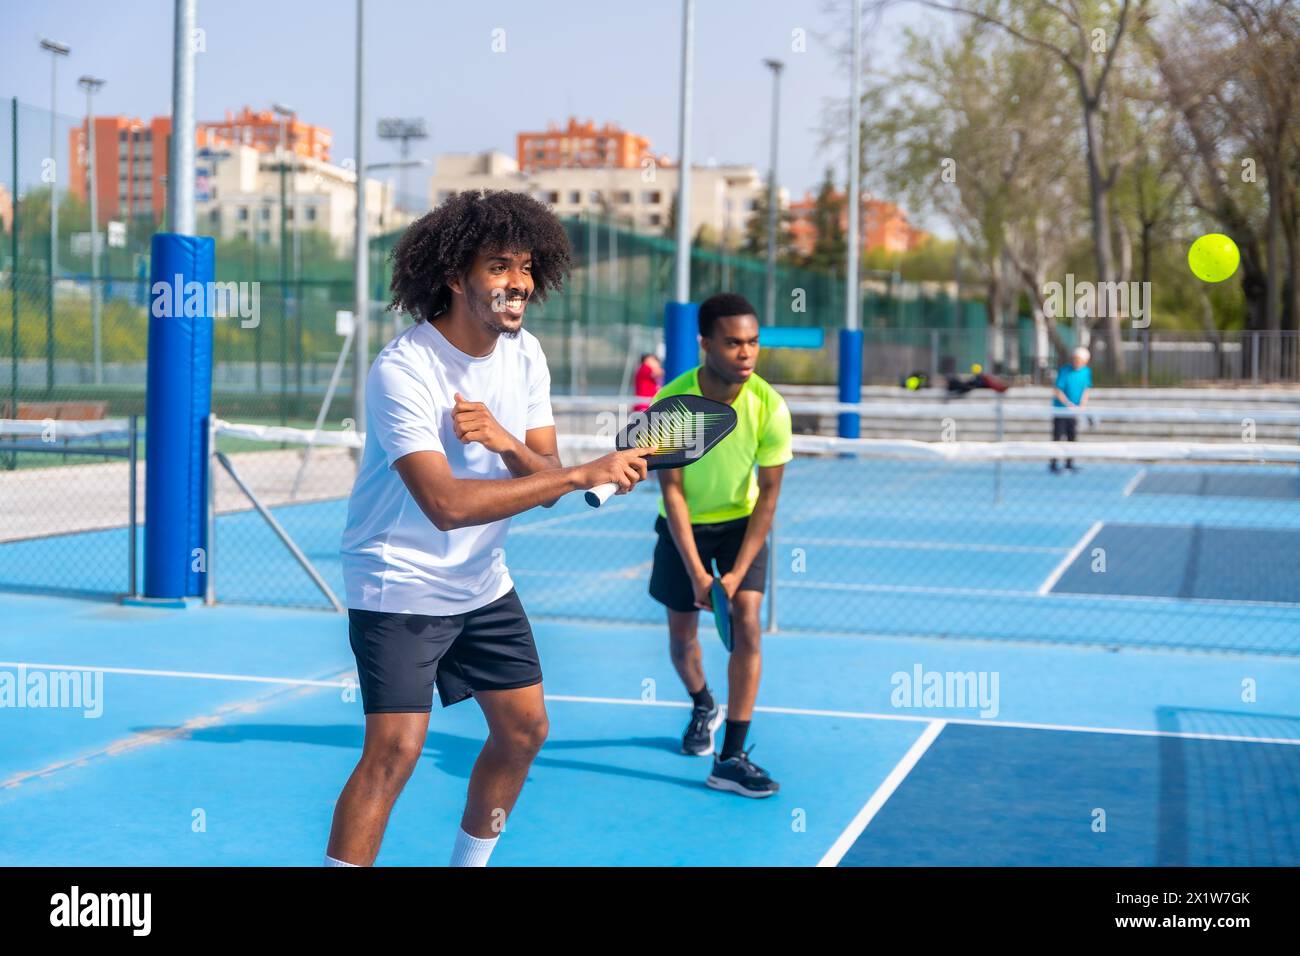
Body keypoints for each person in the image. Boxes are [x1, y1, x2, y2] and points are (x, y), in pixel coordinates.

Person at [327, 190, 652, 867]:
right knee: (394, 753)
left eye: (526, 267)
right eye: (499, 266)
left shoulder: (524, 354)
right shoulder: (403, 372)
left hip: (481, 581)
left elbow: (542, 476)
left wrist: (510, 443)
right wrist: (577, 474)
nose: (518, 284)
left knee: (525, 729)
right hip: (400, 582)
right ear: (454, 274)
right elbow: (443, 504)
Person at [649, 292, 792, 798]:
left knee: (748, 623)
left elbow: (769, 497)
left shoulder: (770, 407)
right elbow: (672, 490)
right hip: (682, 525)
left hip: (740, 525)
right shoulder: (673, 402)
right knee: (683, 640)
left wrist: (732, 577)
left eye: (753, 342)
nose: (746, 353)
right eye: (734, 343)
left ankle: (731, 756)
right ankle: (702, 702)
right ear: (706, 343)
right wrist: (696, 572)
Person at [1050, 346, 1092, 473]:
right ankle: (1054, 464)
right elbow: (1058, 390)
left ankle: (1069, 463)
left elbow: (1086, 389)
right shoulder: (1064, 370)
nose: (1076, 362)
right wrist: (1068, 404)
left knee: (1071, 437)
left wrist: (1082, 405)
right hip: (1060, 410)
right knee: (1058, 437)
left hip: (1074, 412)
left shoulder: (1086, 372)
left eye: (1079, 360)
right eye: (1075, 359)